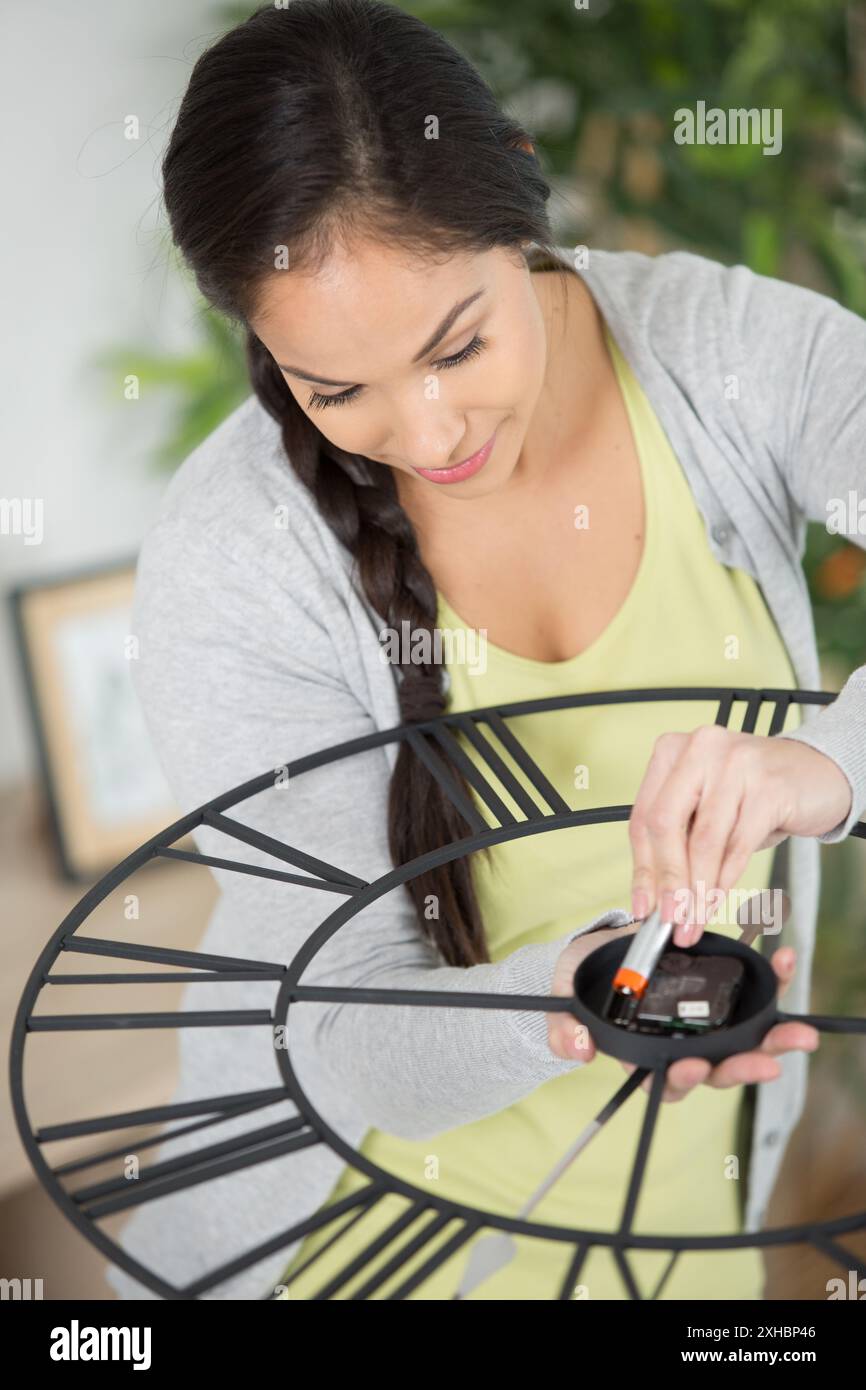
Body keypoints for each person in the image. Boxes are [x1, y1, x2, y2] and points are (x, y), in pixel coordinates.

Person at [106, 0, 865, 1301]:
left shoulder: (730, 356)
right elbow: (342, 1026)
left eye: (456, 342)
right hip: (354, 1240)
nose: (425, 430)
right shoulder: (231, 558)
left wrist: (821, 767)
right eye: (334, 390)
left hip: (675, 1222)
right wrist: (569, 997)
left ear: (521, 194)